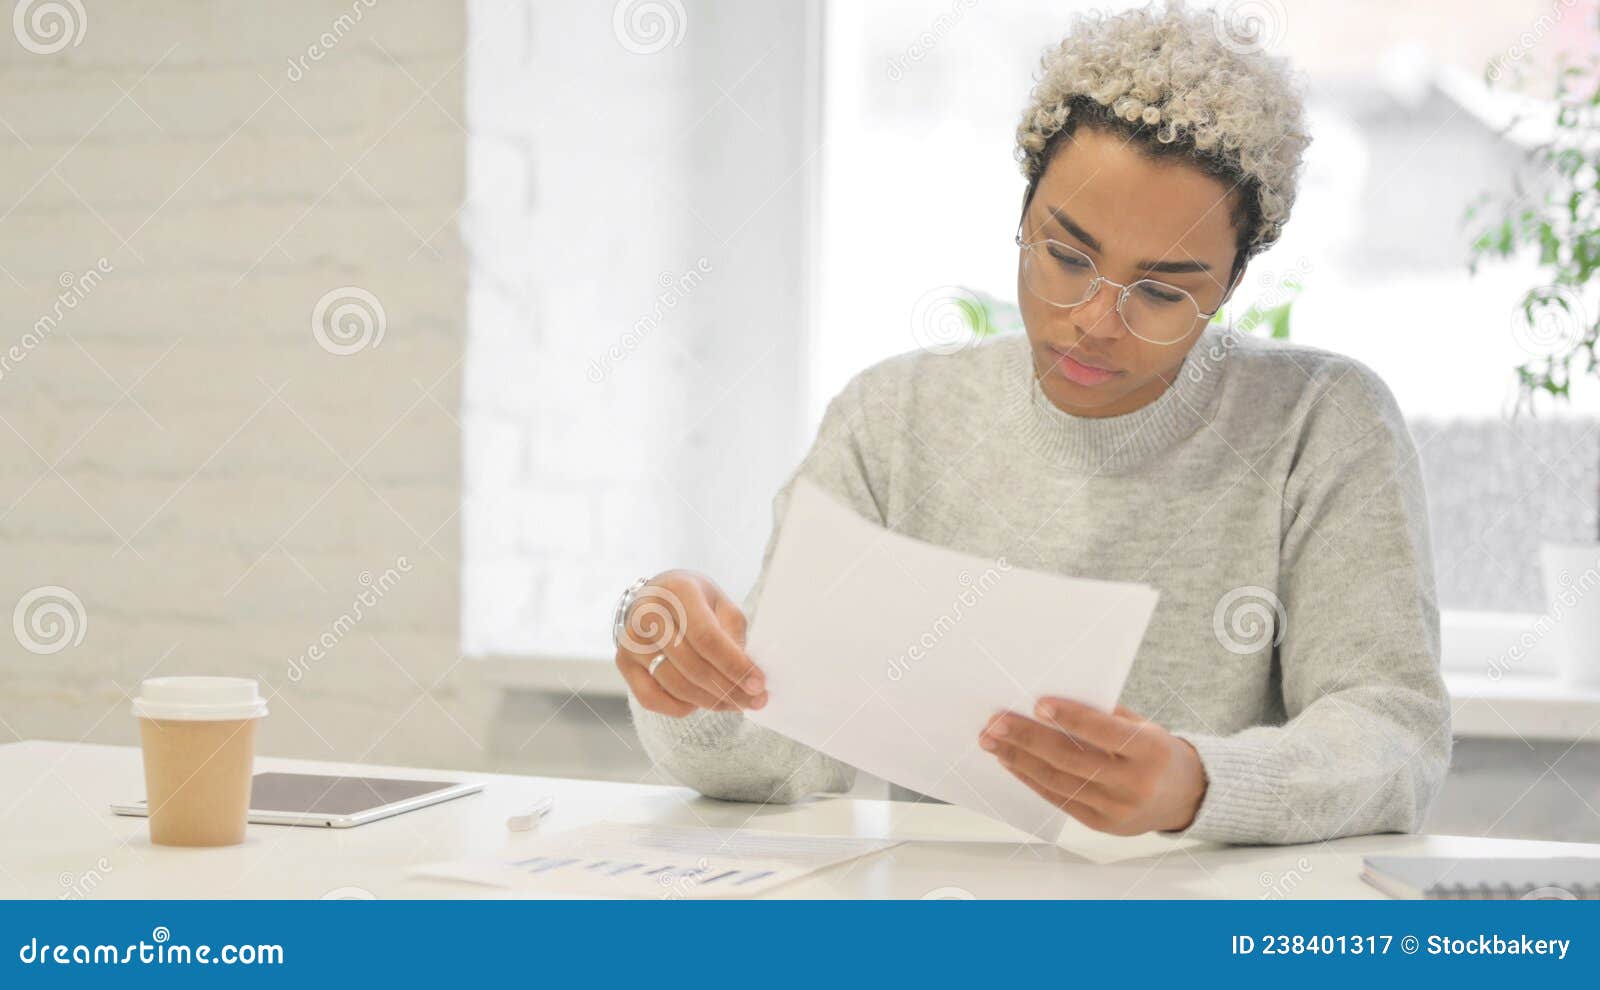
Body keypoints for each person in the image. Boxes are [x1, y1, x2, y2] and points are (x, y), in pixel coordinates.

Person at [612, 0, 1451, 845]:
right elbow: (779, 755)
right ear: (1023, 217)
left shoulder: (1322, 421)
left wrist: (1200, 787)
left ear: (1230, 286)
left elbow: (1394, 733)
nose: (1094, 320)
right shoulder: (891, 420)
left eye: (1162, 291)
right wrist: (689, 685)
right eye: (1066, 255)